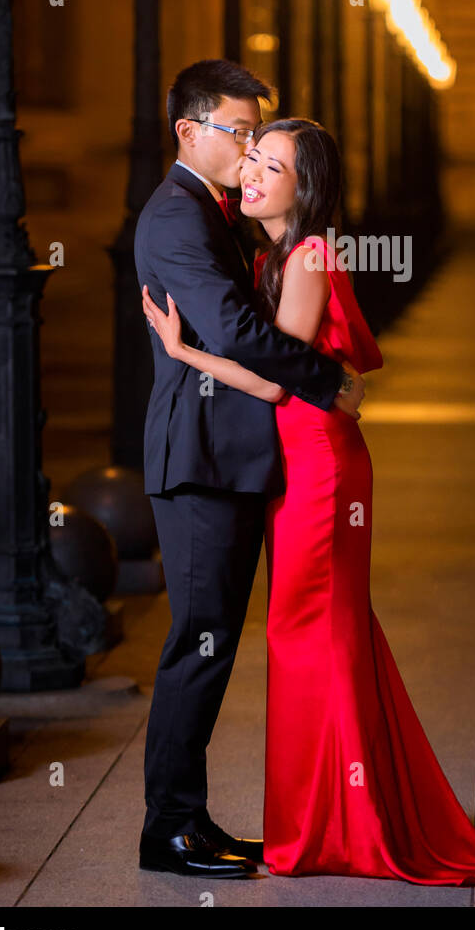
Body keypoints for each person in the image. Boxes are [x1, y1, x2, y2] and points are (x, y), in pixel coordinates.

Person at [142, 116, 475, 886]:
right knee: (316, 640)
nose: (254, 172)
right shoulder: (279, 255)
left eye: (273, 165)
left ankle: (342, 829)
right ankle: (325, 825)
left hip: (319, 474)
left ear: (307, 188)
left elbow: (276, 380)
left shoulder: (304, 255)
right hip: (299, 466)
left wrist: (181, 350)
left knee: (315, 639)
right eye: (253, 158)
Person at [134, 62, 364, 879]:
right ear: (189, 132)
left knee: (214, 642)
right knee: (196, 645)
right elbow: (234, 330)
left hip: (225, 455)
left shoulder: (210, 211)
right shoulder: (175, 216)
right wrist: (323, 378)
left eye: (256, 136)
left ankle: (191, 821)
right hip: (198, 457)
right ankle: (168, 830)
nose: (247, 147)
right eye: (238, 132)